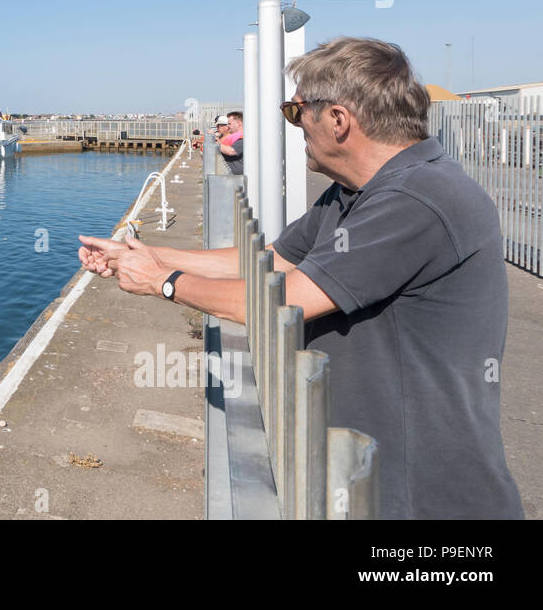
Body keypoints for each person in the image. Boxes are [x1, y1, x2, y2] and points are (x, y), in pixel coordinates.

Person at [77, 36, 522, 520]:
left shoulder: (416, 199)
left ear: (338, 119)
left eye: (295, 111)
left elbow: (282, 301)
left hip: (421, 496)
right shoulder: (354, 192)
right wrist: (148, 255)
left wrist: (164, 282)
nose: (293, 124)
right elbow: (269, 261)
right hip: (364, 480)